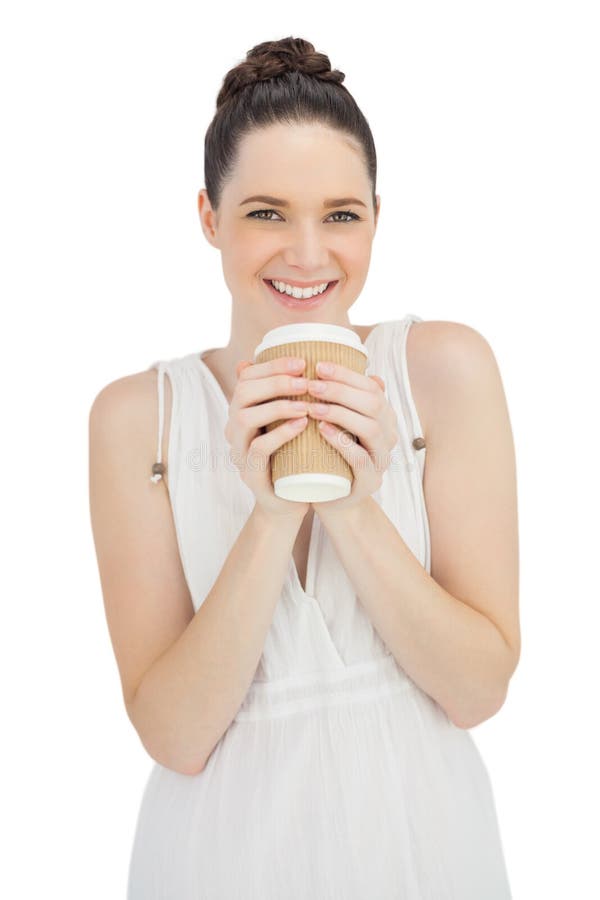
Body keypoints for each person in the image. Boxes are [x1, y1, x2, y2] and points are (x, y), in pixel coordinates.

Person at [89, 35, 520, 899]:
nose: (309, 252)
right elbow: (174, 736)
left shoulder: (443, 369)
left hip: (423, 845)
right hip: (217, 860)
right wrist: (273, 507)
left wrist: (357, 507)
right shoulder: (139, 418)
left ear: (375, 218)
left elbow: (478, 690)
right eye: (266, 212)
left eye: (341, 214)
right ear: (209, 218)